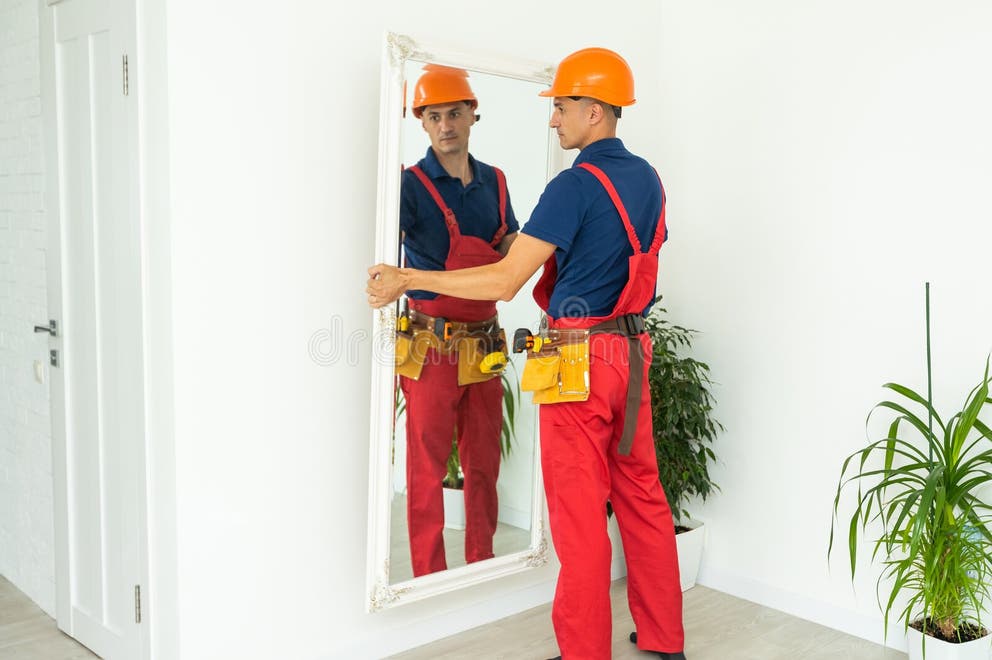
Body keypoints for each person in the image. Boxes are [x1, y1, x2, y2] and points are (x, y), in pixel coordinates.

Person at [369, 47, 685, 659]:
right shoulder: (648, 177)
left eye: (562, 106)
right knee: (643, 495)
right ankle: (665, 638)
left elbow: (505, 280)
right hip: (635, 356)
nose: (553, 118)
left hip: (578, 359)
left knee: (578, 515)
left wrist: (407, 280)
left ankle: (584, 651)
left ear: (595, 112)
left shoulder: (571, 185)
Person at [396, 64, 519, 578]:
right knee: (426, 467)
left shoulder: (496, 181)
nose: (445, 125)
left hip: (484, 342)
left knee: (484, 464)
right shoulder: (409, 185)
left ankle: (480, 564)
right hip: (430, 345)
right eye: (434, 116)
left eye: (455, 113)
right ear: (422, 124)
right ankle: (428, 576)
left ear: (473, 115)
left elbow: (509, 240)